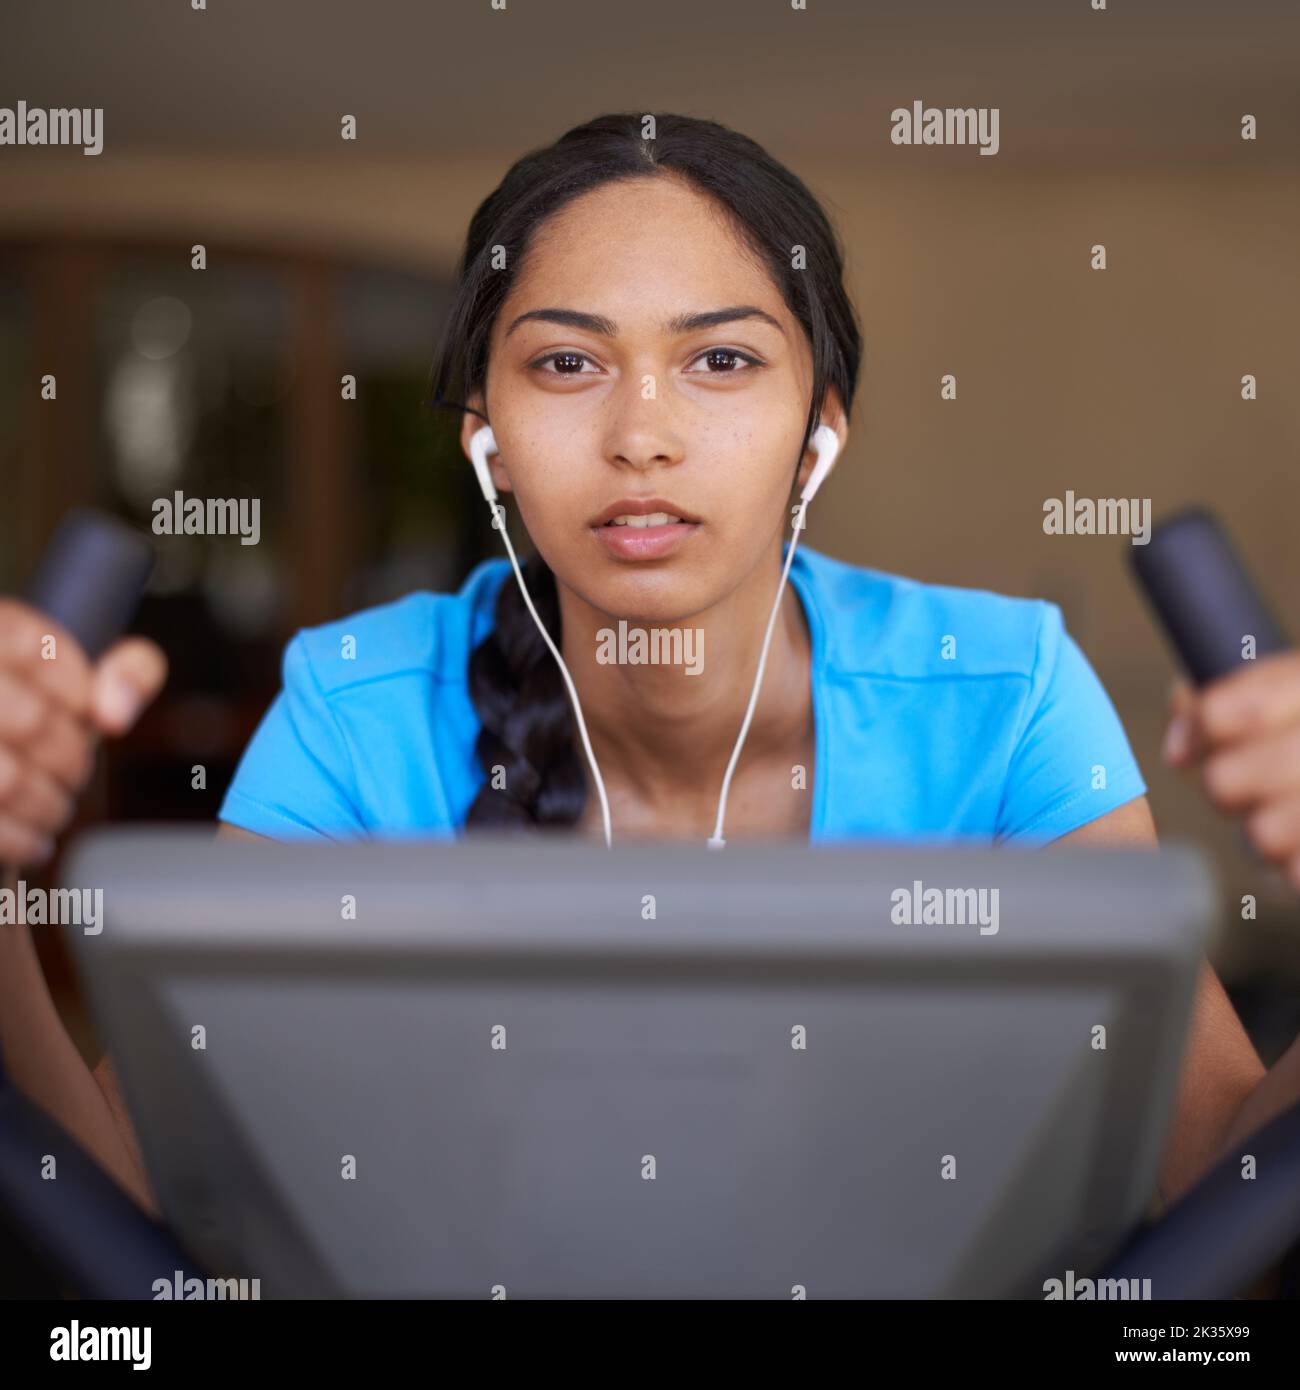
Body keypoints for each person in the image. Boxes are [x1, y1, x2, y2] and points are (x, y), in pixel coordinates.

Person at [2, 114, 1299, 1251]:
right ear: (488, 443)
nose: (641, 435)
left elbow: (1219, 1181)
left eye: (721, 360)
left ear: (820, 434)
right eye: (566, 362)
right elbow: (119, 1204)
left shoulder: (1004, 690)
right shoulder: (359, 706)